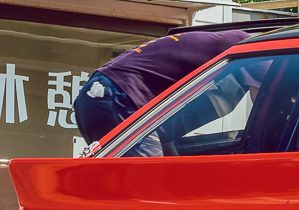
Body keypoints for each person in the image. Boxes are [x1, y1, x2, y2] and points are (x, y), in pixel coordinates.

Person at [73, 26, 251, 144]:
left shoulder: (207, 66)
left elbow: (165, 129)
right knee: (146, 184)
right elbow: (265, 98)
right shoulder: (243, 43)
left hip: (96, 97)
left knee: (118, 182)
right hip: (117, 95)